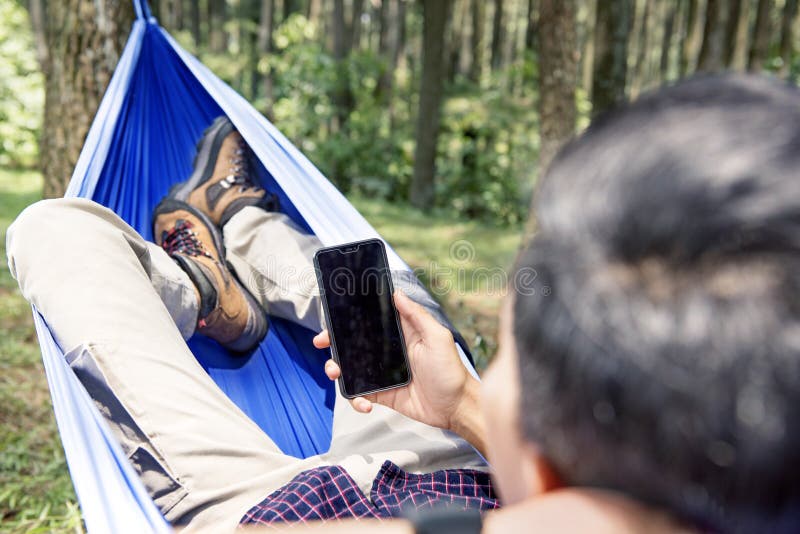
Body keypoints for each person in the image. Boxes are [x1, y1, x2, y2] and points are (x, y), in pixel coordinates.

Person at [9, 73, 800, 533]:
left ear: (555, 456)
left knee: (55, 231)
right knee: (369, 272)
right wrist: (464, 410)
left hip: (266, 505)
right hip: (447, 457)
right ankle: (241, 238)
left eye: (511, 350)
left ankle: (210, 269)